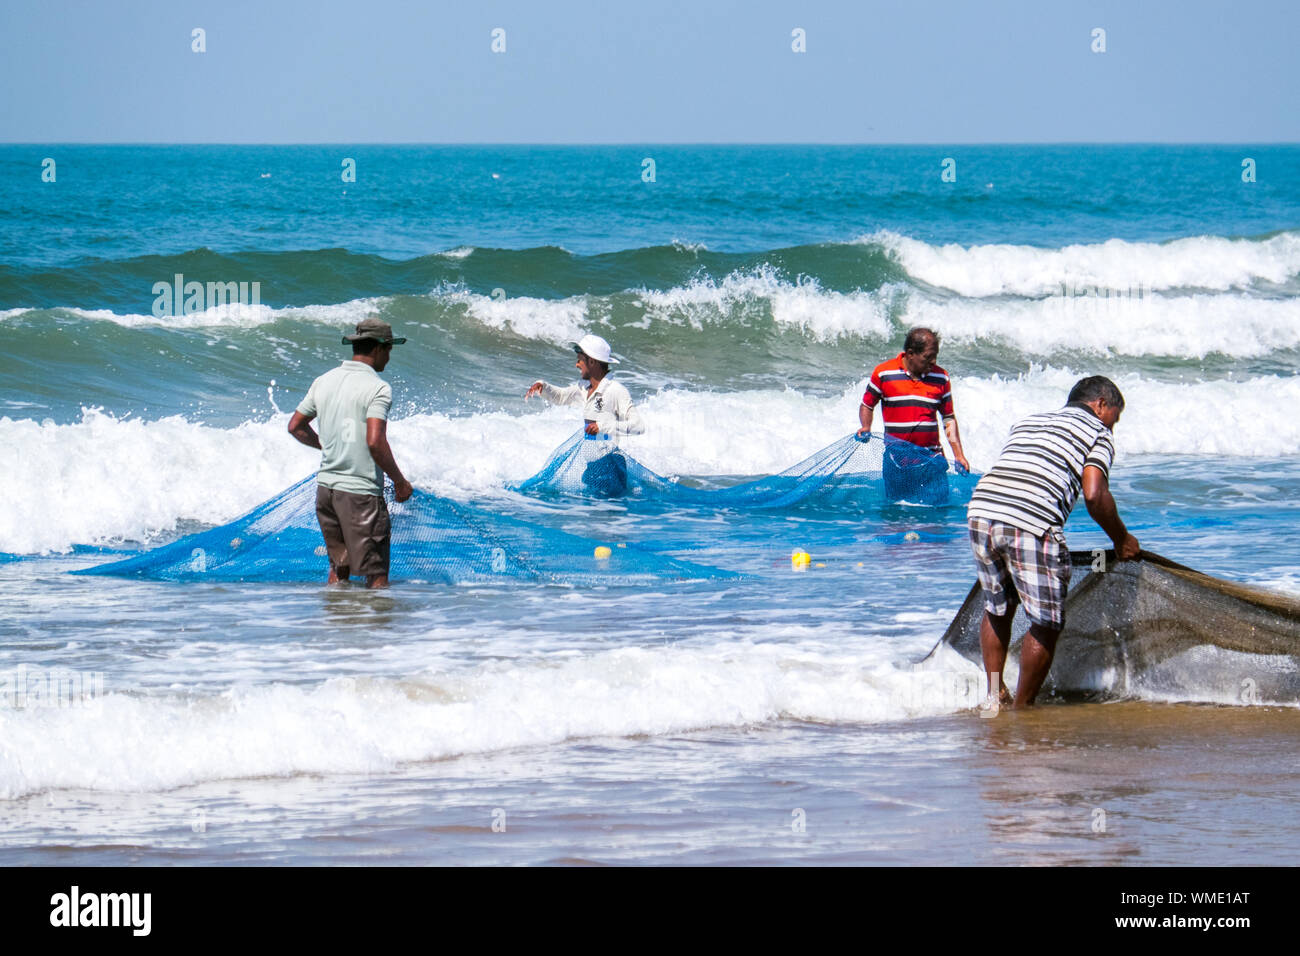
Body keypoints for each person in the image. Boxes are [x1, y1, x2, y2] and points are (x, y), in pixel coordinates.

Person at [965, 375, 1141, 712]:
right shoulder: (1097, 433)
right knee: (1046, 622)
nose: (1112, 428)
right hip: (1030, 521)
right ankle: (1022, 709)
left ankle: (993, 695)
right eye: (1114, 419)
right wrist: (1122, 538)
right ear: (1100, 404)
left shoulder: (1029, 422)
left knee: (997, 609)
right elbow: (1094, 494)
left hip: (981, 512)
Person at [287, 317, 413, 589]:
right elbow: (375, 442)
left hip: (326, 493)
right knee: (376, 574)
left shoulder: (324, 381)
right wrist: (400, 482)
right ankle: (377, 630)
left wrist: (326, 445)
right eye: (389, 349)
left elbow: (295, 426)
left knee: (338, 569)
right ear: (379, 348)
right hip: (361, 495)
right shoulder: (378, 388)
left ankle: (336, 628)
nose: (389, 357)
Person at [858, 328, 970, 501]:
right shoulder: (884, 373)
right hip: (897, 462)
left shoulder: (941, 378)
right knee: (896, 516)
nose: (933, 361)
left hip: (931, 462)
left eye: (935, 356)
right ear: (910, 354)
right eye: (928, 357)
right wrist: (866, 426)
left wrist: (959, 455)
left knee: (936, 519)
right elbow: (867, 404)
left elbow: (948, 418)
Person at [524, 333, 645, 437]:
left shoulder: (615, 391)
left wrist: (602, 427)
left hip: (610, 460)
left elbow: (638, 426)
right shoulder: (584, 388)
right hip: (591, 462)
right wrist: (542, 386)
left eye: (580, 360)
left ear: (592, 361)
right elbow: (560, 397)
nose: (577, 365)